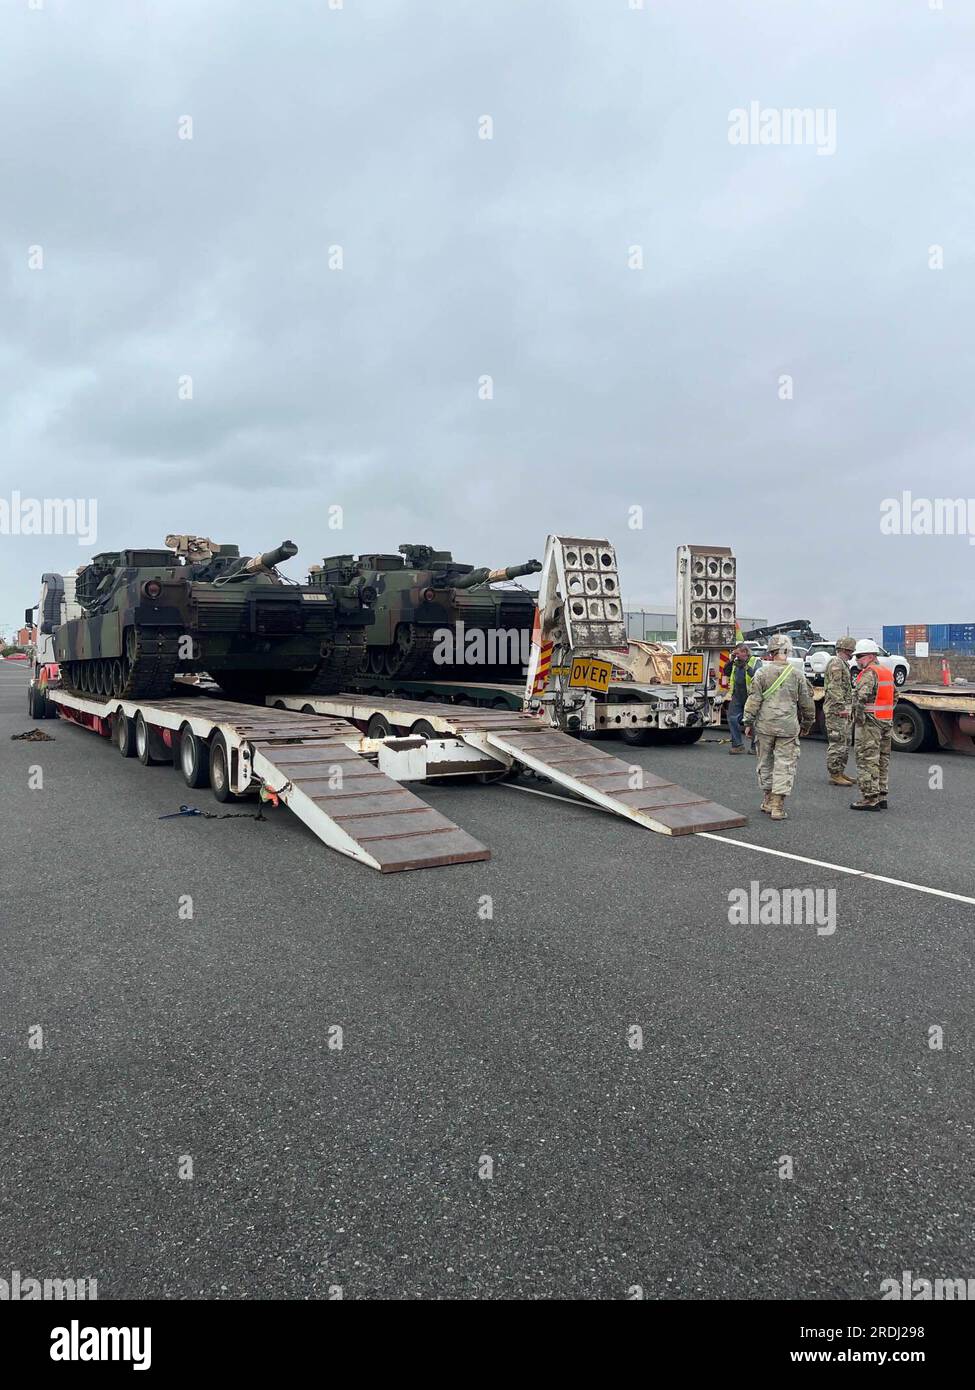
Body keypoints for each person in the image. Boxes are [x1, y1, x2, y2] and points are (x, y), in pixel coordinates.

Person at [742, 633, 815, 820]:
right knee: (784, 764)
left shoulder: (761, 673)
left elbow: (753, 700)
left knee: (765, 761)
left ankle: (767, 800)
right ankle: (777, 806)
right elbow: (807, 704)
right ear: (788, 651)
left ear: (771, 652)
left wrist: (748, 722)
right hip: (788, 728)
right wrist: (807, 724)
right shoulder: (797, 675)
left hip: (765, 726)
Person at [850, 639, 894, 811]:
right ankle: (881, 795)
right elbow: (895, 696)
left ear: (869, 656)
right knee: (882, 759)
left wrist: (858, 718)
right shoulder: (886, 672)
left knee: (867, 759)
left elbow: (860, 698)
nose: (857, 660)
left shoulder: (869, 673)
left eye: (859, 656)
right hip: (885, 722)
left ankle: (869, 798)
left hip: (870, 724)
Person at [823, 635, 857, 786]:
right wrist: (842, 706)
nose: (852, 654)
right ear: (844, 649)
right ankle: (834, 773)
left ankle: (840, 771)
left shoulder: (843, 664)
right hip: (836, 711)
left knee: (845, 741)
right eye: (851, 651)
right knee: (837, 742)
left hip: (842, 710)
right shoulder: (836, 663)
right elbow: (834, 687)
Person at [722, 643, 760, 754]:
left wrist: (746, 667)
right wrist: (731, 660)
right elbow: (726, 672)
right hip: (737, 695)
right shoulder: (735, 662)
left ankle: (755, 747)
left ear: (745, 652)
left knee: (754, 721)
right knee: (732, 718)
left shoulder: (755, 661)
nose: (737, 656)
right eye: (735, 654)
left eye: (738, 653)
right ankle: (737, 745)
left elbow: (758, 676)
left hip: (751, 695)